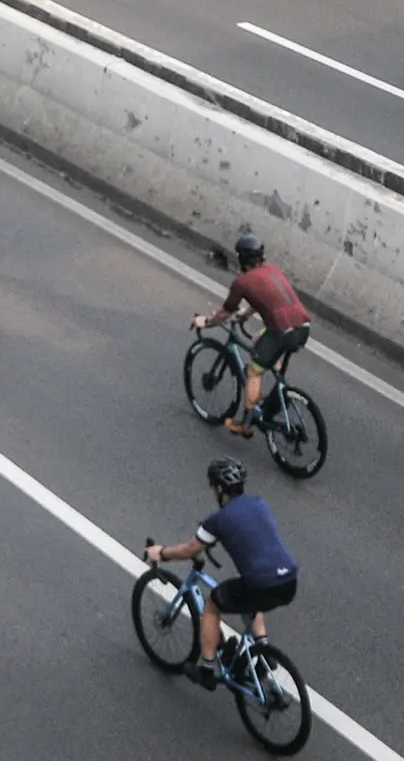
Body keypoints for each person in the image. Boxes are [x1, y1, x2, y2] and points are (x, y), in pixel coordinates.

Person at [144, 459, 299, 691]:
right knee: (250, 598)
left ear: (218, 488)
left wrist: (162, 553)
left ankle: (206, 668)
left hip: (260, 584)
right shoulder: (258, 503)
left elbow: (189, 550)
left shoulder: (218, 520)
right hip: (288, 581)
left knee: (212, 603)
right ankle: (263, 651)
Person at [194, 234, 310, 437]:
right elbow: (266, 298)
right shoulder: (272, 270)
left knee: (254, 371)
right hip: (302, 326)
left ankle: (247, 423)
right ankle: (275, 380)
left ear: (241, 259)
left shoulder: (242, 282)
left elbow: (224, 312)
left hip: (281, 331)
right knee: (262, 341)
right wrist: (246, 314)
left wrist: (206, 321)